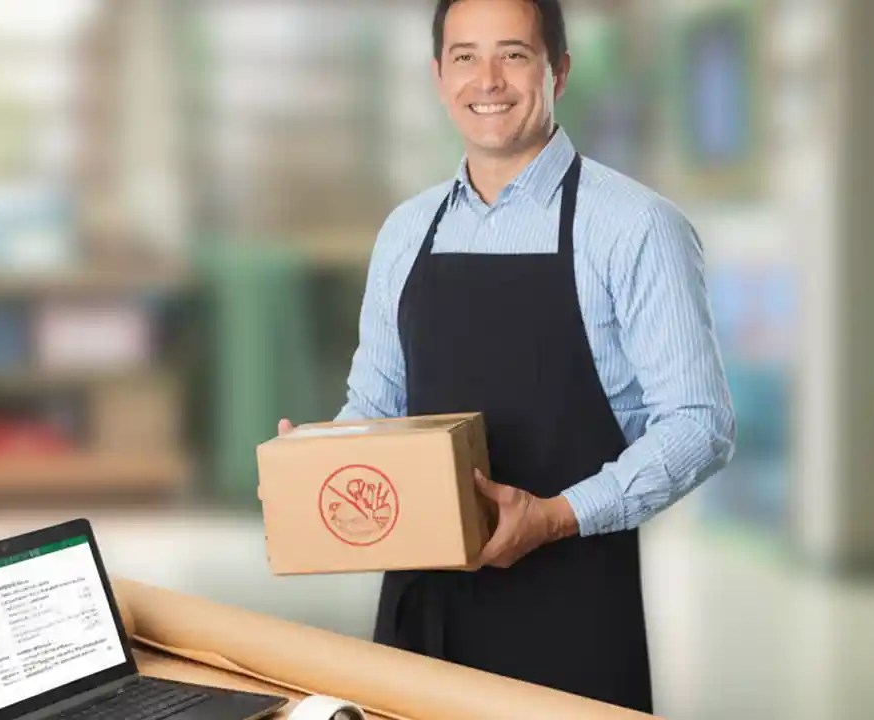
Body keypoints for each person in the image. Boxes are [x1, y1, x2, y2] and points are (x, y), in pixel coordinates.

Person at [277, 0, 736, 712]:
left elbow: (699, 425)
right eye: (464, 56)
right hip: (420, 619)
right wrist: (313, 466)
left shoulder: (636, 227)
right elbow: (376, 405)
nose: (487, 79)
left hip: (571, 618)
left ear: (559, 69)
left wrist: (554, 516)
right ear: (438, 75)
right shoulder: (406, 231)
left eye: (514, 54)